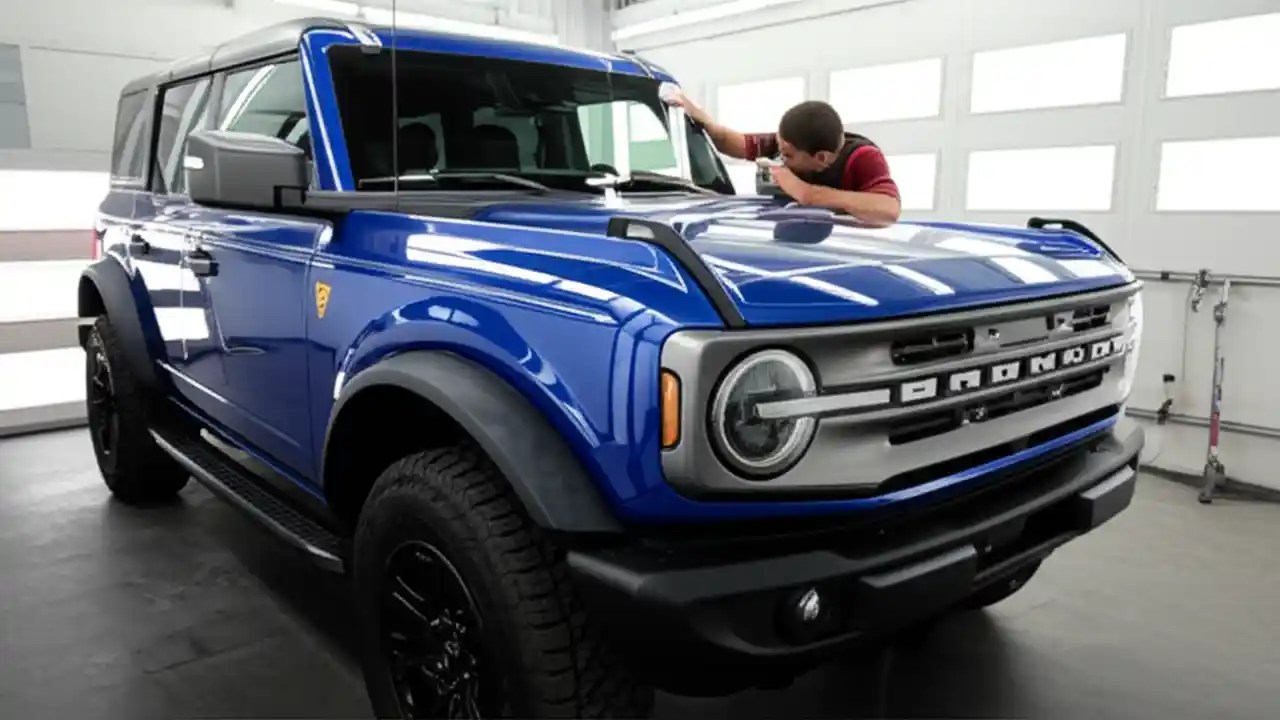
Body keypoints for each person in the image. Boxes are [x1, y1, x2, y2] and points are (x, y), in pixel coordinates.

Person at [663, 92, 901, 225]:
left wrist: (808, 194)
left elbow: (889, 210)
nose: (782, 159)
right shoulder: (789, 141)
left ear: (820, 157)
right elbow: (734, 143)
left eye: (788, 155)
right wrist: (701, 117)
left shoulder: (863, 157)